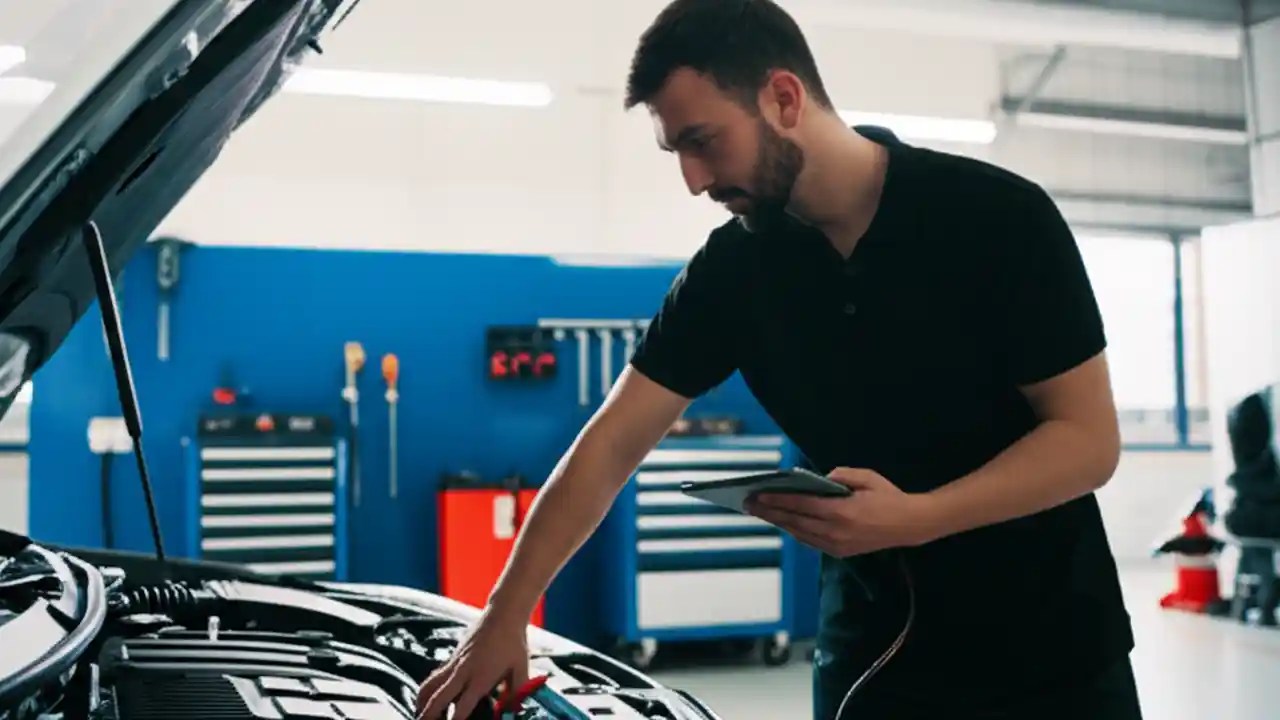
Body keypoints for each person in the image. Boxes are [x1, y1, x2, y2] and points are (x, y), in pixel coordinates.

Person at [416, 1, 1144, 718]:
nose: (694, 180)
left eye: (704, 141)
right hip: (874, 660)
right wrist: (503, 614)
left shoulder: (998, 221)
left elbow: (1087, 441)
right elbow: (609, 444)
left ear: (784, 97)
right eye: (678, 153)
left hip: (1050, 656)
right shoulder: (735, 273)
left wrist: (919, 518)